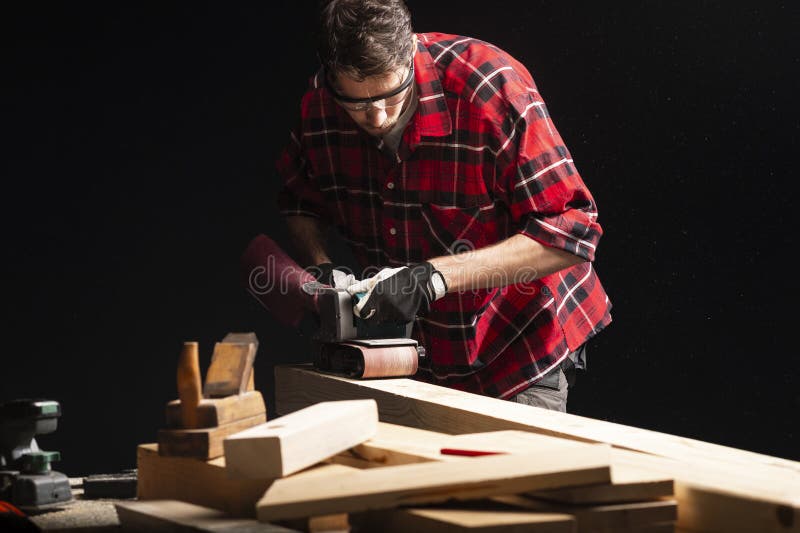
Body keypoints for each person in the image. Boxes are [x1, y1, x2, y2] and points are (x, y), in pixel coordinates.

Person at [270, 0, 612, 411]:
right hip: (422, 359)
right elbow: (298, 201)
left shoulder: (490, 89)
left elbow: (572, 232)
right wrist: (320, 265)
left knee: (512, 471)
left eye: (391, 95)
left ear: (411, 53)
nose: (376, 117)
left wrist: (432, 277)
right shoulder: (319, 105)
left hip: (521, 345)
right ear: (330, 78)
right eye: (356, 104)